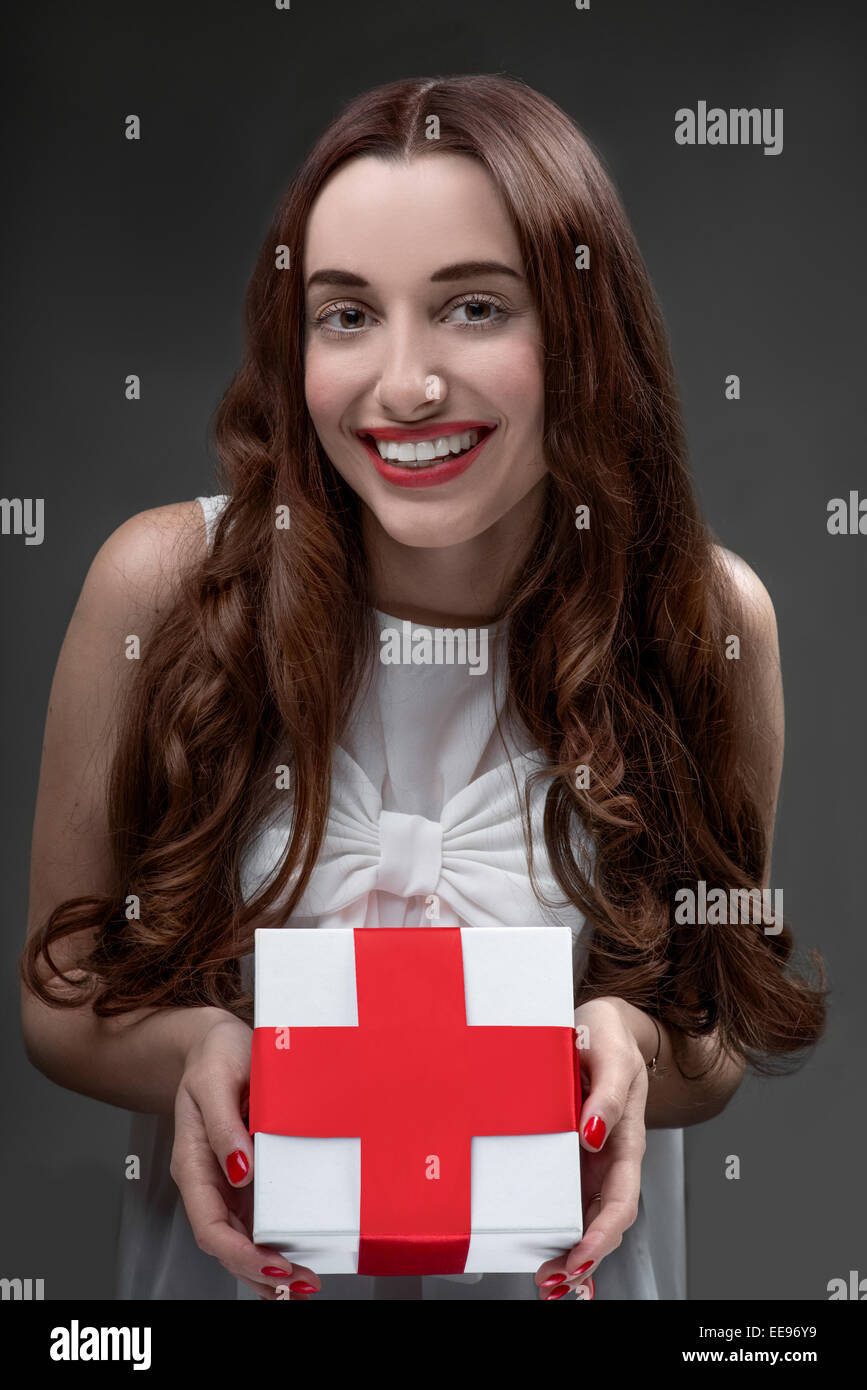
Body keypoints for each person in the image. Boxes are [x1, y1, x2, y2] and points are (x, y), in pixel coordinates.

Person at [20, 73, 826, 1302]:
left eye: (473, 308)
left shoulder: (707, 622)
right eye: (347, 316)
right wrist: (197, 1047)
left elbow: (711, 1032)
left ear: (580, 326)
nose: (406, 385)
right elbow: (58, 999)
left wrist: (636, 1046)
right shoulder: (160, 588)